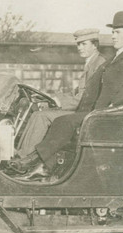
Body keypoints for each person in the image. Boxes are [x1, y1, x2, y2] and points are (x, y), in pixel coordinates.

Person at [12, 11, 123, 181]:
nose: (113, 36)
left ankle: (37, 162)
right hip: (99, 112)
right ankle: (40, 164)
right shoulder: (113, 59)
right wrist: (80, 109)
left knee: (64, 121)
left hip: (114, 116)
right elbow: (91, 87)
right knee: (64, 120)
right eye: (113, 32)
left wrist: (113, 105)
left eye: (117, 32)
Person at [16, 28, 106, 157]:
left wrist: (58, 102)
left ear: (95, 45)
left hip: (85, 111)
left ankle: (24, 157)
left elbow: (86, 96)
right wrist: (52, 97)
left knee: (41, 116)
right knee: (37, 113)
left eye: (84, 44)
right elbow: (77, 91)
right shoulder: (92, 62)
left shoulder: (99, 63)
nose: (79, 48)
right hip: (81, 108)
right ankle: (21, 152)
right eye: (78, 44)